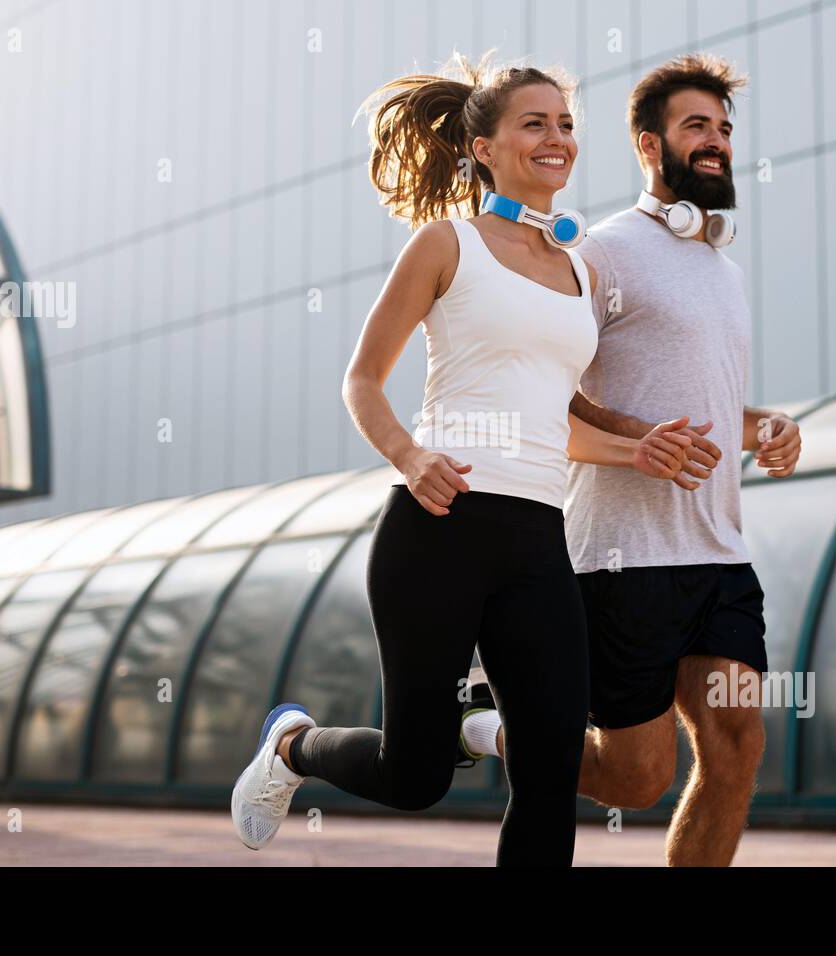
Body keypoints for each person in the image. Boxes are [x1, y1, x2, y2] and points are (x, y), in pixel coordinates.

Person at [231, 51, 697, 867]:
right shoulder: (446, 244)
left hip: (537, 542)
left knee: (551, 771)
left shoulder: (581, 273)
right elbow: (362, 381)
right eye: (533, 124)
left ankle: (470, 733)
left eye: (564, 124)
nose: (556, 139)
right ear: (484, 147)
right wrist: (412, 458)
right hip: (437, 526)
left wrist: (635, 451)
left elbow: (554, 424)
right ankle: (292, 749)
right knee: (414, 777)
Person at [456, 52, 803, 867]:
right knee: (637, 778)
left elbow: (706, 406)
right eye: (696, 127)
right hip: (622, 560)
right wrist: (632, 435)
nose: (716, 142)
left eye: (723, 129)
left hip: (718, 554)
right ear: (650, 146)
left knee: (737, 748)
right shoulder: (601, 253)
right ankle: (497, 731)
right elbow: (544, 384)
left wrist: (769, 426)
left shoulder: (726, 272)